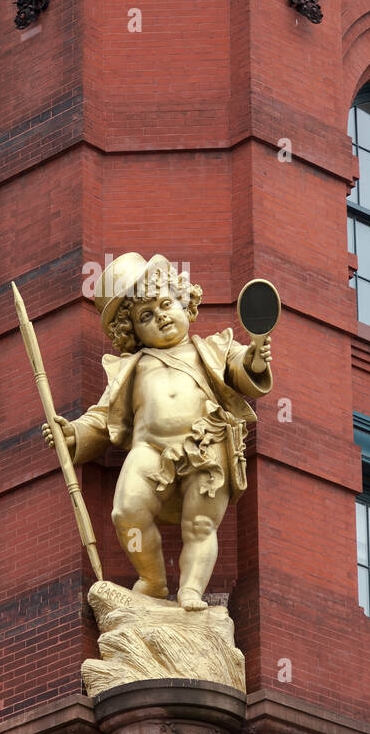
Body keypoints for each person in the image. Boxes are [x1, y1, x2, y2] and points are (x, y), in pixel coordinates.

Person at [42, 253, 273, 610]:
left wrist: (255, 359)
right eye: (145, 316)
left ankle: (192, 590)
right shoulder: (129, 368)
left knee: (200, 525)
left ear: (183, 301)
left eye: (166, 303)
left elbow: (243, 369)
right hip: (149, 450)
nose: (161, 316)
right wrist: (72, 434)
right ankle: (152, 580)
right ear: (133, 330)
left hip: (206, 446)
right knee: (126, 512)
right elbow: (103, 418)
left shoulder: (211, 349)